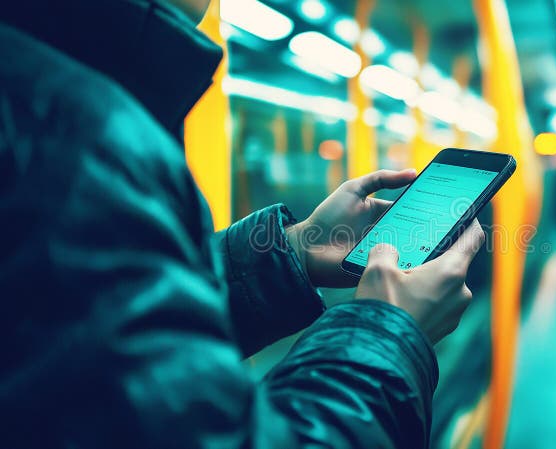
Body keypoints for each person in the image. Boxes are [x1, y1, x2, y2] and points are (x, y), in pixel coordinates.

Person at [0, 1, 485, 447]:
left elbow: (102, 336)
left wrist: (291, 251)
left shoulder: (40, 100)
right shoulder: (83, 143)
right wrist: (387, 332)